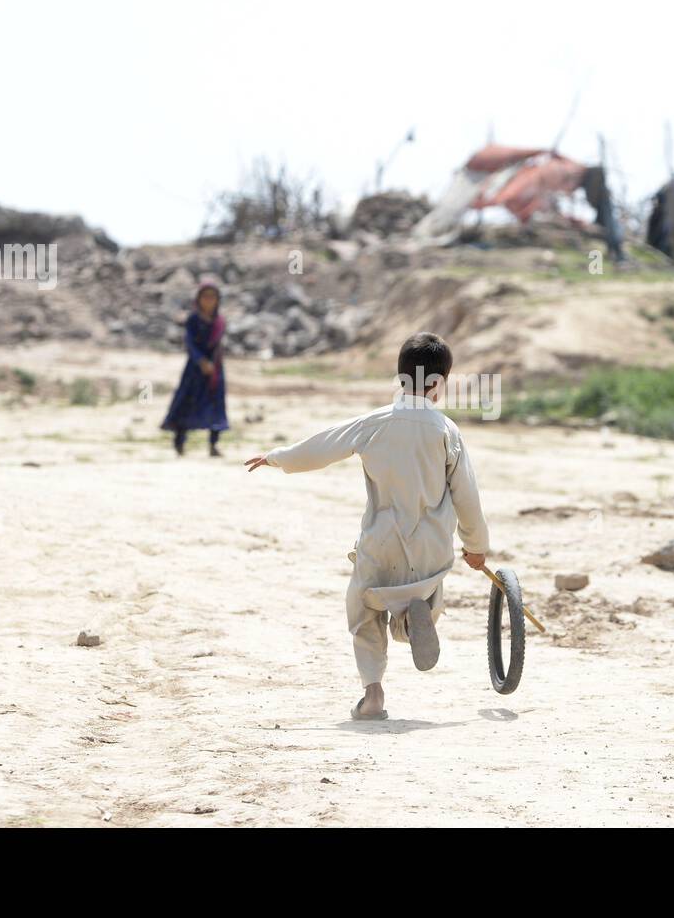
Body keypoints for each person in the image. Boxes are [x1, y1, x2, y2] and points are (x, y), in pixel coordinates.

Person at [244, 332, 490, 720]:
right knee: (425, 590)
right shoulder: (447, 431)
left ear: (400, 378)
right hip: (430, 547)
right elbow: (467, 496)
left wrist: (278, 458)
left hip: (381, 542)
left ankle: (373, 693)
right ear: (438, 386)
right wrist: (476, 546)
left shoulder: (374, 423)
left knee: (363, 611)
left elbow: (322, 447)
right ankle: (411, 623)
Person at [161, 282, 229, 456]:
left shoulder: (220, 321)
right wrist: (201, 361)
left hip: (215, 368)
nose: (209, 301)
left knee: (215, 404)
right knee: (187, 403)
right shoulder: (193, 319)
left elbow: (219, 345)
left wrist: (213, 364)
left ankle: (213, 444)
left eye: (212, 297)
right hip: (195, 369)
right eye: (205, 297)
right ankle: (179, 442)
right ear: (198, 299)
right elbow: (189, 343)